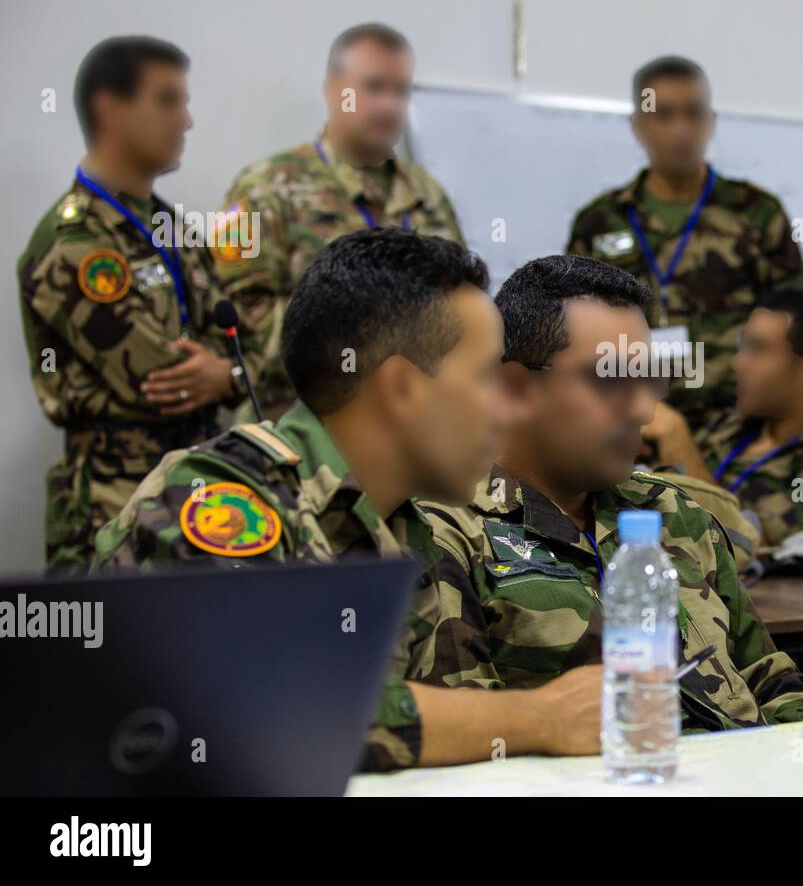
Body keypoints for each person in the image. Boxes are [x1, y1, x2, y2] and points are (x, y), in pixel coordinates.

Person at [93, 229, 601, 770]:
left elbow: (444, 723)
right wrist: (541, 717)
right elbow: (265, 711)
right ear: (402, 389)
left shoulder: (407, 530)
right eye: (486, 380)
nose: (507, 412)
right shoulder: (218, 499)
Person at [418, 254, 803, 729]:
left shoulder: (674, 512)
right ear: (515, 387)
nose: (643, 411)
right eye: (611, 380)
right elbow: (475, 749)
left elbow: (773, 684)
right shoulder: (447, 534)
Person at [17, 36, 251, 576]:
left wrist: (228, 372)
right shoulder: (73, 243)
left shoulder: (169, 227)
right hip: (112, 509)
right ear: (110, 109)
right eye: (168, 100)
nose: (186, 120)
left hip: (196, 491)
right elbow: (159, 378)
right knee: (119, 659)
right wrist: (231, 375)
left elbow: (239, 338)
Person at [214, 22, 464, 419]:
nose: (388, 106)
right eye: (374, 87)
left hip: (412, 430)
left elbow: (459, 301)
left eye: (400, 91)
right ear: (333, 90)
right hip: (302, 432)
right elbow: (237, 321)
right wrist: (365, 335)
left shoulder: (426, 192)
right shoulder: (266, 188)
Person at [566, 56, 803, 431]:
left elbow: (795, 327)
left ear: (710, 122)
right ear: (638, 125)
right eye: (663, 114)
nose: (681, 130)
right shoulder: (598, 222)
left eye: (693, 113)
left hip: (739, 424)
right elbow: (577, 336)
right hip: (632, 423)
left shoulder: (756, 214)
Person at [646, 286, 803, 548]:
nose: (738, 363)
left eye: (758, 349)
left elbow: (751, 549)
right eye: (744, 345)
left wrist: (676, 439)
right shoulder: (730, 424)